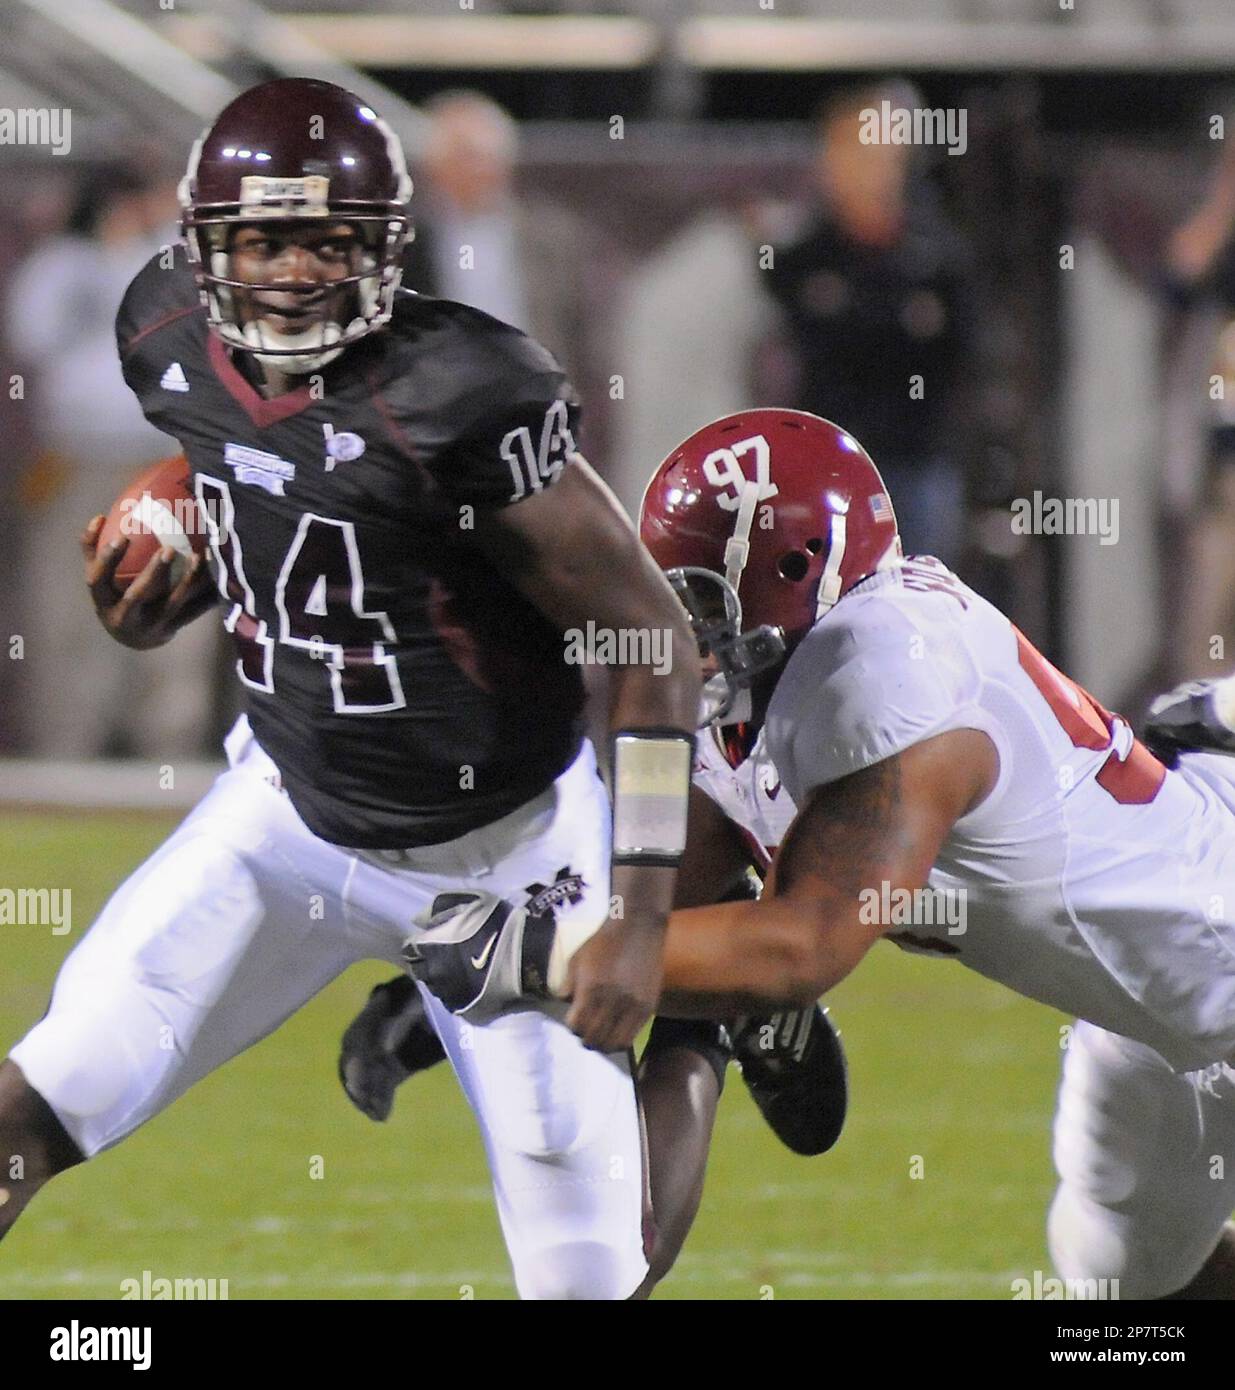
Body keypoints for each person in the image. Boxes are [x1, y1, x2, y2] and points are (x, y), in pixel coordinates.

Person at [0, 77, 704, 1302]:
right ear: (203, 245)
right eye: (262, 238)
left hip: (504, 851)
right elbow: (252, 444)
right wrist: (190, 533)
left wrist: (642, 914)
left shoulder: (466, 392)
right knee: (52, 1080)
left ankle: (702, 1041)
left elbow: (650, 637)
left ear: (383, 245)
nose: (289, 273)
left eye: (326, 240)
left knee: (590, 1274)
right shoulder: (162, 329)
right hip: (287, 815)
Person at [411, 408, 1235, 1300]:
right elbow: (670, 932)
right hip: (1145, 1020)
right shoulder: (740, 702)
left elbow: (798, 948)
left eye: (698, 599)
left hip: (1216, 935)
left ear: (800, 571)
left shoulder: (881, 666)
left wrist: (540, 954)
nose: (672, 629)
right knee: (1122, 1292)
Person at [4, 162, 218, 756]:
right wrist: (108, 256)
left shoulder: (178, 260)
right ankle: (67, 749)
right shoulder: (63, 263)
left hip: (166, 463)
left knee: (177, 602)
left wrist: (141, 252)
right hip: (82, 462)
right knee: (72, 611)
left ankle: (169, 749)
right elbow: (34, 333)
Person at [766, 82, 972, 566]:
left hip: (914, 461)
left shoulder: (937, 257)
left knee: (921, 601)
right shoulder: (799, 258)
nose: (867, 169)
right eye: (852, 152)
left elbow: (957, 354)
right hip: (825, 470)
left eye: (879, 153)